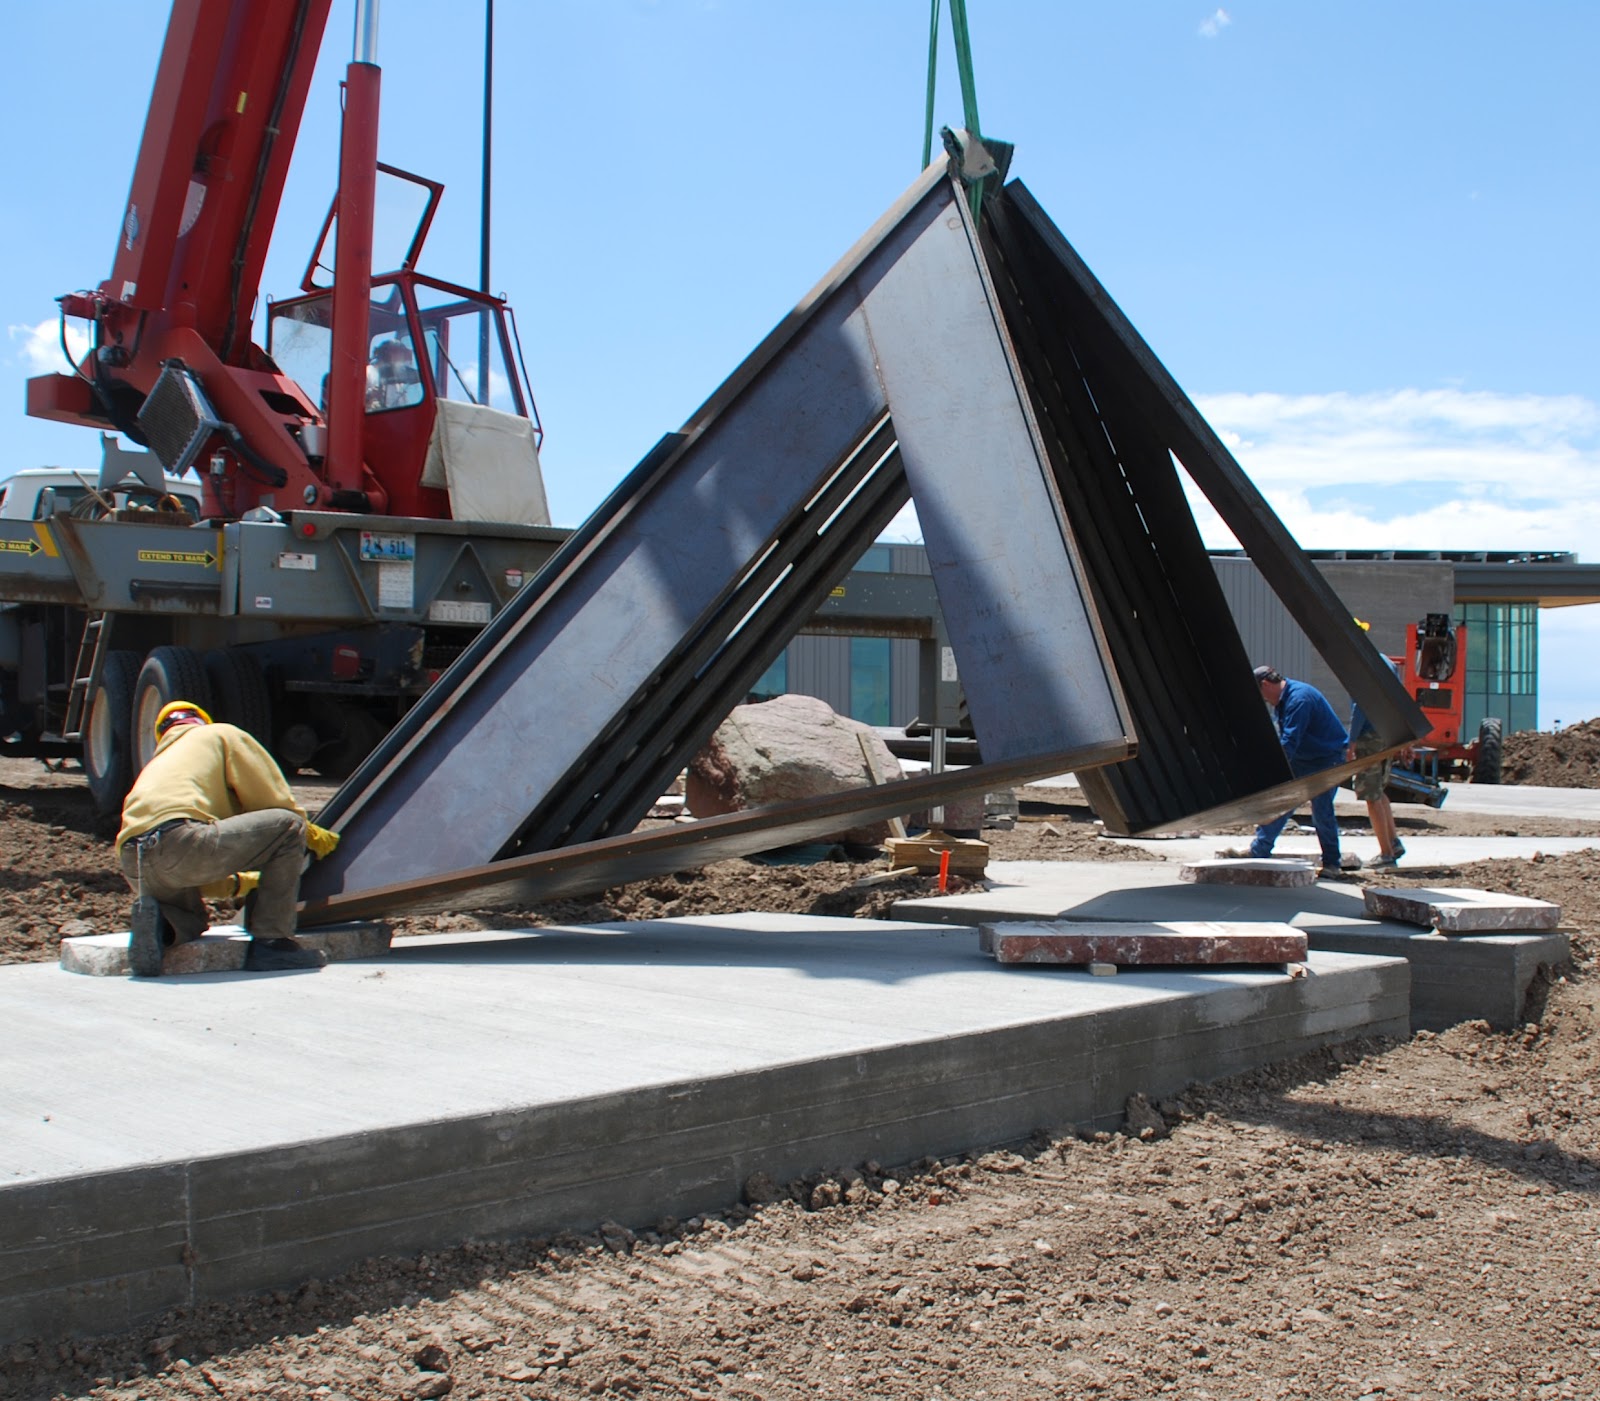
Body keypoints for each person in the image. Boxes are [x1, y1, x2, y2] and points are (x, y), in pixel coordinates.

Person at [115, 701, 341, 976]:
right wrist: (308, 832)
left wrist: (243, 883)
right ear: (201, 720)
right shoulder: (219, 734)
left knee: (190, 917)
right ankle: (273, 944)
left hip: (134, 861)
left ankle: (162, 929)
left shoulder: (156, 764)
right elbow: (270, 800)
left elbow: (190, 865)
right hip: (180, 841)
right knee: (288, 827)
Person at [1248, 664, 1349, 876]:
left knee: (1321, 809)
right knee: (1280, 801)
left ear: (1266, 685)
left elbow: (1289, 742)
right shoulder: (1285, 700)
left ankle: (1332, 862)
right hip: (1305, 757)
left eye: (1262, 694)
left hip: (1326, 759)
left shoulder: (1299, 699)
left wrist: (1271, 770)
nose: (1264, 700)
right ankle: (1259, 851)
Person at [1347, 620, 1407, 869]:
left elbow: (1361, 706)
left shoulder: (1360, 666)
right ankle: (1392, 842)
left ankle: (1385, 854)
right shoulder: (1386, 662)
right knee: (1380, 791)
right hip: (1386, 733)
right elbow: (1400, 698)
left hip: (1369, 736)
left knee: (1371, 795)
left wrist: (1350, 741)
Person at [365, 336, 422, 412]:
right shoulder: (369, 372)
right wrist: (371, 395)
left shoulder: (398, 384)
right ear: (388, 354)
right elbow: (355, 401)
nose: (403, 362)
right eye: (400, 355)